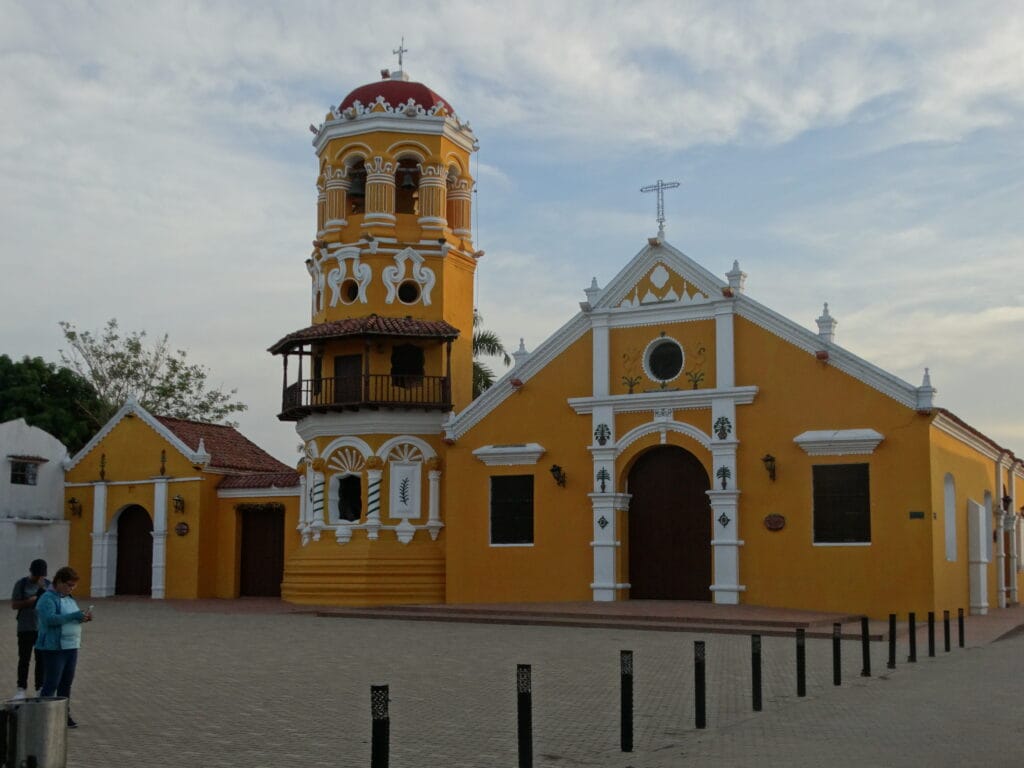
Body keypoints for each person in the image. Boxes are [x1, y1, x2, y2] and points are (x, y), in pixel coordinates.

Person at [35, 566, 92, 728]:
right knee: (51, 683)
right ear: (59, 582)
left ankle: (63, 714)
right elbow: (49, 620)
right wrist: (73, 616)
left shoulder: (69, 597)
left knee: (66, 683)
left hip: (70, 646)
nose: (71, 588)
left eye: (73, 586)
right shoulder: (47, 598)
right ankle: (43, 716)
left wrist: (82, 617)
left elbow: (69, 616)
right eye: (68, 585)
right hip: (54, 647)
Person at [10, 558, 49, 700]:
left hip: (42, 629)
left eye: (42, 575)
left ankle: (40, 688)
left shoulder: (47, 585)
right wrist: (29, 601)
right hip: (25, 628)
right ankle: (21, 689)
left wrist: (42, 590)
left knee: (41, 660)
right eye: (37, 574)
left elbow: (51, 602)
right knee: (24, 659)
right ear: (31, 572)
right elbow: (14, 605)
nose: (39, 577)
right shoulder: (21, 584)